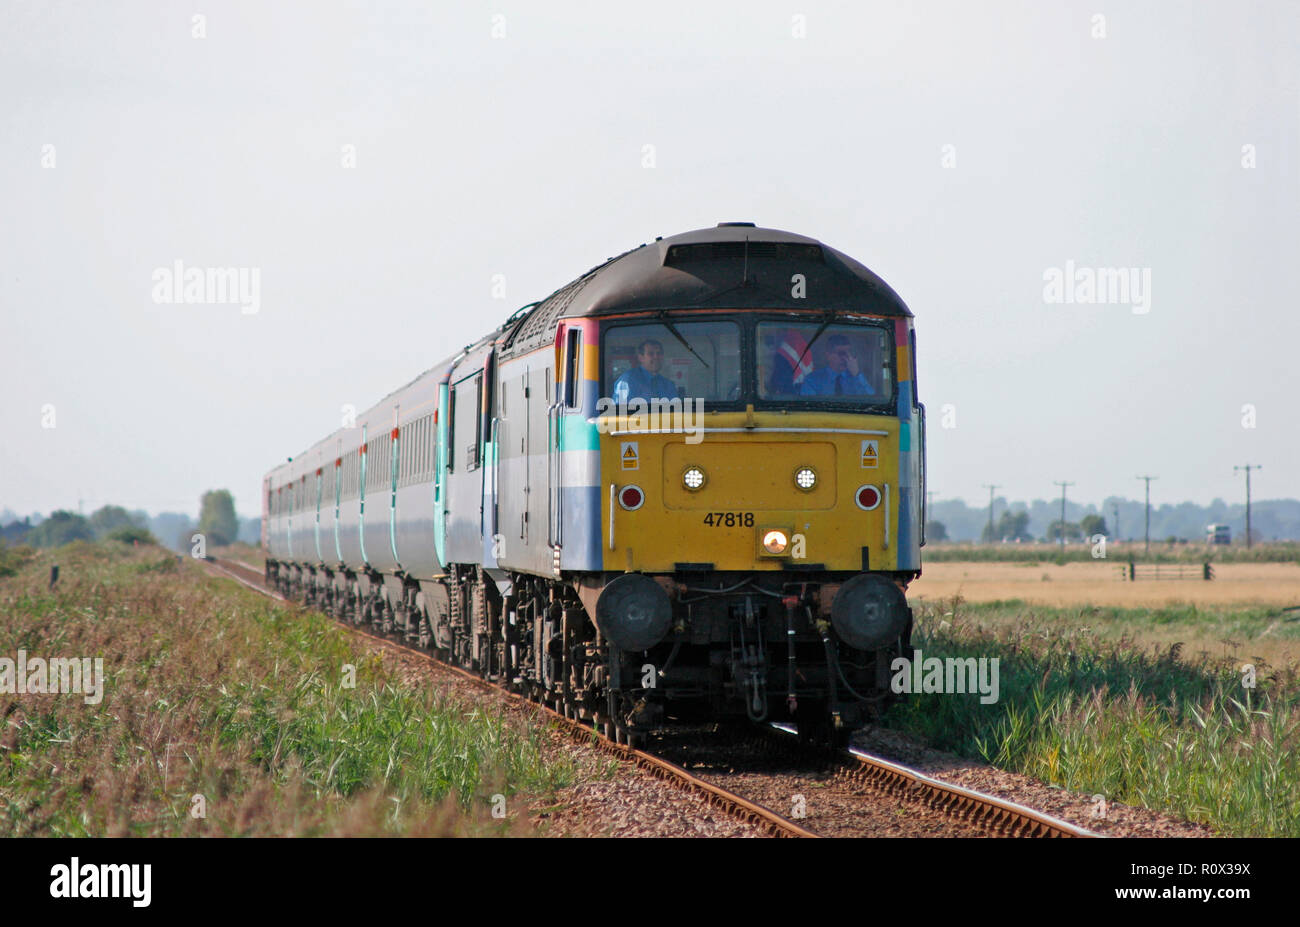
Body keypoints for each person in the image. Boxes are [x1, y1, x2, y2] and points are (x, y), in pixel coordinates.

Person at [799, 334, 874, 397]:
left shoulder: (856, 378)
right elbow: (808, 405)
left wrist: (856, 374)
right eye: (841, 353)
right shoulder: (813, 380)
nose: (845, 358)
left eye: (848, 353)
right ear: (828, 355)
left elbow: (870, 399)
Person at [613, 339, 679, 403]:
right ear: (640, 358)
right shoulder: (627, 381)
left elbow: (676, 408)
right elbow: (620, 409)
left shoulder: (668, 384)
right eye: (651, 354)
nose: (656, 357)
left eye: (659, 353)